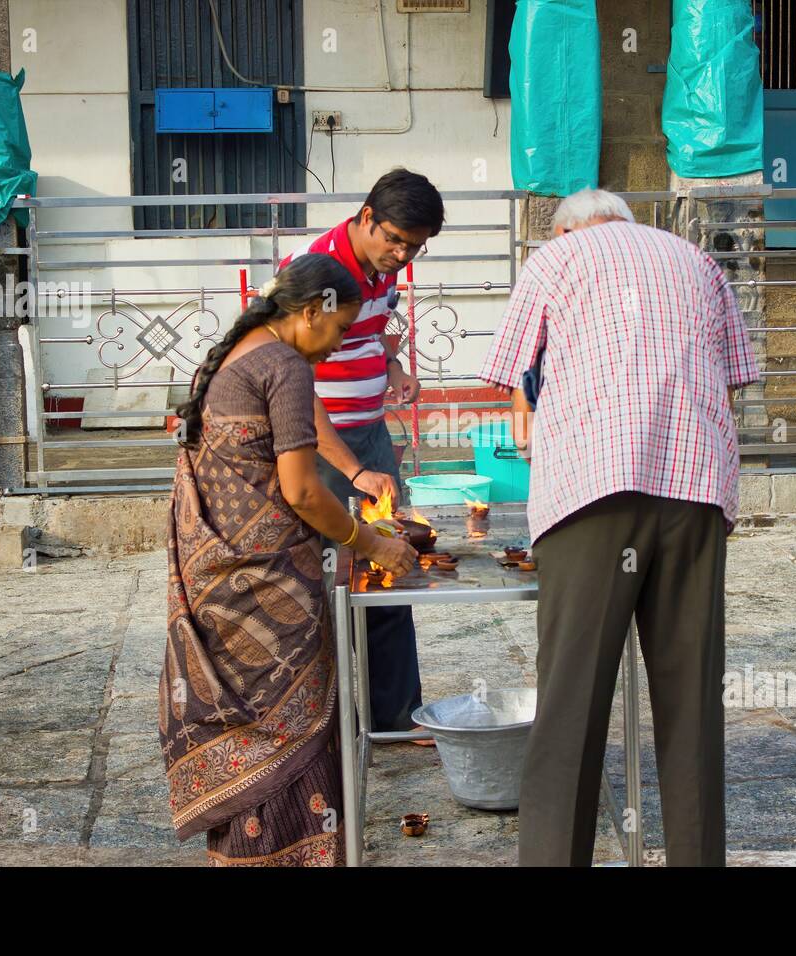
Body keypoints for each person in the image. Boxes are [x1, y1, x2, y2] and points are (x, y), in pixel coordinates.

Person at [479, 189, 761, 867]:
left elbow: (506, 377)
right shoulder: (697, 260)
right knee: (691, 703)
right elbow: (734, 383)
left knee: (572, 702)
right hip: (693, 489)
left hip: (591, 493)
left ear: (568, 226)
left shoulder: (557, 256)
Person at [158, 254, 417, 866]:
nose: (336, 349)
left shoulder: (239, 350)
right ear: (310, 313)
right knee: (286, 717)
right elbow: (301, 491)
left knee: (250, 723)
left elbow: (298, 438)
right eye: (337, 330)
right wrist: (372, 542)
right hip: (264, 577)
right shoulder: (286, 367)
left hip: (215, 572)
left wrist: (354, 472)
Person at [278, 168, 445, 738]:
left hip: (370, 434)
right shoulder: (315, 272)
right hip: (320, 448)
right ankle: (321, 722)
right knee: (327, 581)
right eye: (394, 239)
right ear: (366, 216)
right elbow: (294, 384)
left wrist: (393, 368)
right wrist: (353, 470)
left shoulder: (383, 271)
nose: (401, 254)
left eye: (414, 247)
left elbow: (377, 332)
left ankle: (395, 716)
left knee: (390, 564)